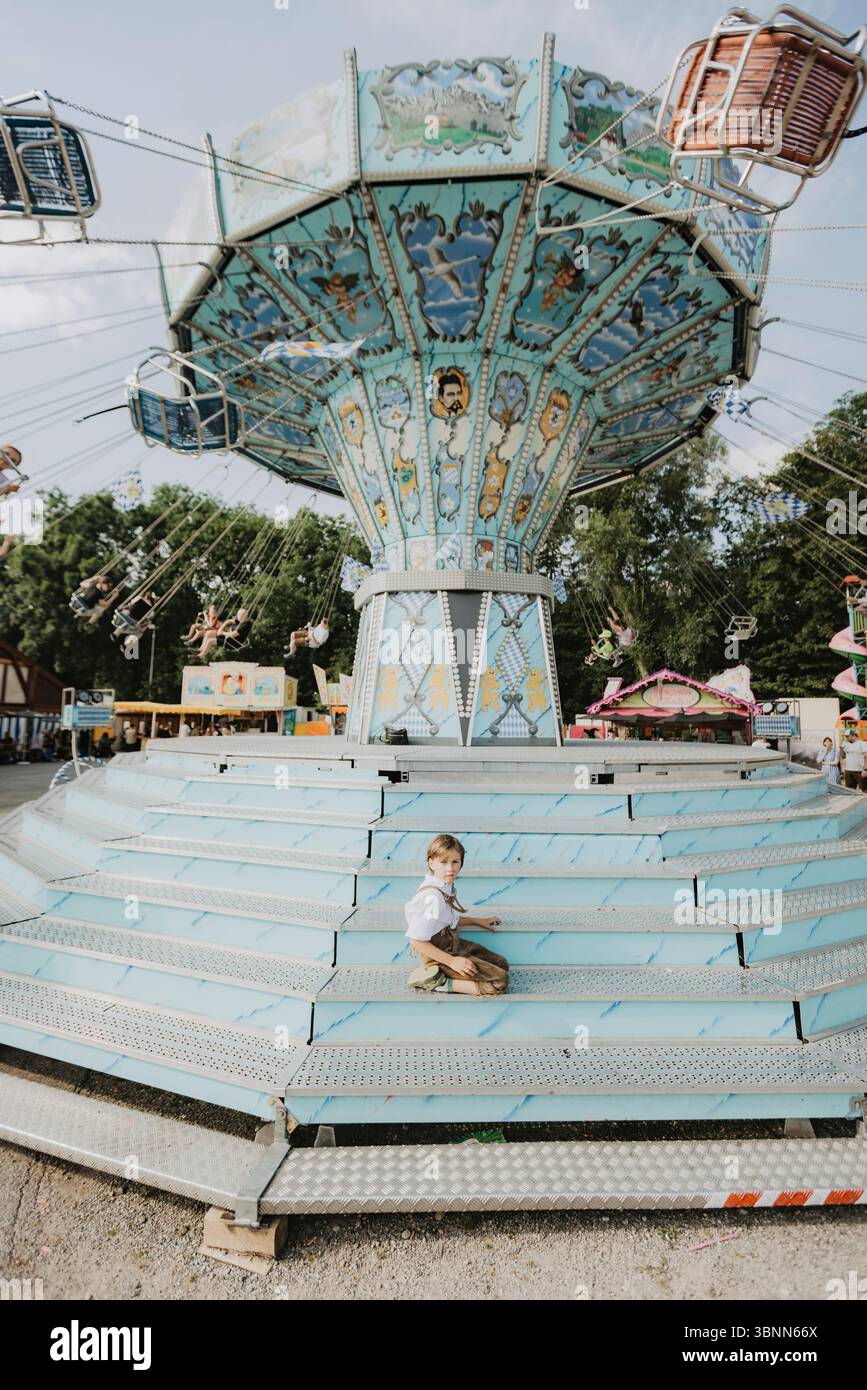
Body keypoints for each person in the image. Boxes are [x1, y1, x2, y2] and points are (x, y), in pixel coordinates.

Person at [403, 834, 509, 996]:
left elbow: (448, 919)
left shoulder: (444, 886)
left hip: (453, 943)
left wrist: (478, 921)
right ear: (431, 863)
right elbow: (416, 941)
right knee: (499, 982)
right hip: (439, 956)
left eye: (455, 862)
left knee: (501, 964)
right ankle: (439, 981)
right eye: (443, 862)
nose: (450, 868)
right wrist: (452, 961)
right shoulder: (432, 897)